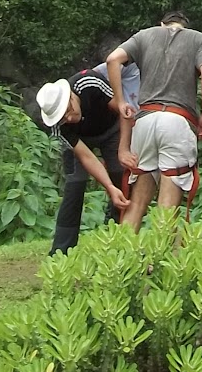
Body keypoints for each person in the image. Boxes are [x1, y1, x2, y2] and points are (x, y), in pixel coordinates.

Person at [107, 10, 202, 229]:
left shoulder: (144, 35)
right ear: (185, 26)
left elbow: (112, 59)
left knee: (137, 204)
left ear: (162, 24)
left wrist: (120, 101)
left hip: (145, 121)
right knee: (167, 209)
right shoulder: (199, 39)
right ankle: (161, 251)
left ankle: (122, 251)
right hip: (178, 122)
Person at [37, 67, 132, 252]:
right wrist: (108, 187)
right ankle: (61, 252)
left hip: (111, 129)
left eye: (68, 111)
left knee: (121, 177)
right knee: (75, 185)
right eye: (63, 118)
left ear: (71, 97)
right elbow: (86, 156)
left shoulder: (89, 82)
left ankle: (115, 239)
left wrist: (124, 149)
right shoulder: (58, 125)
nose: (69, 118)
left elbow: (123, 109)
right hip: (81, 141)